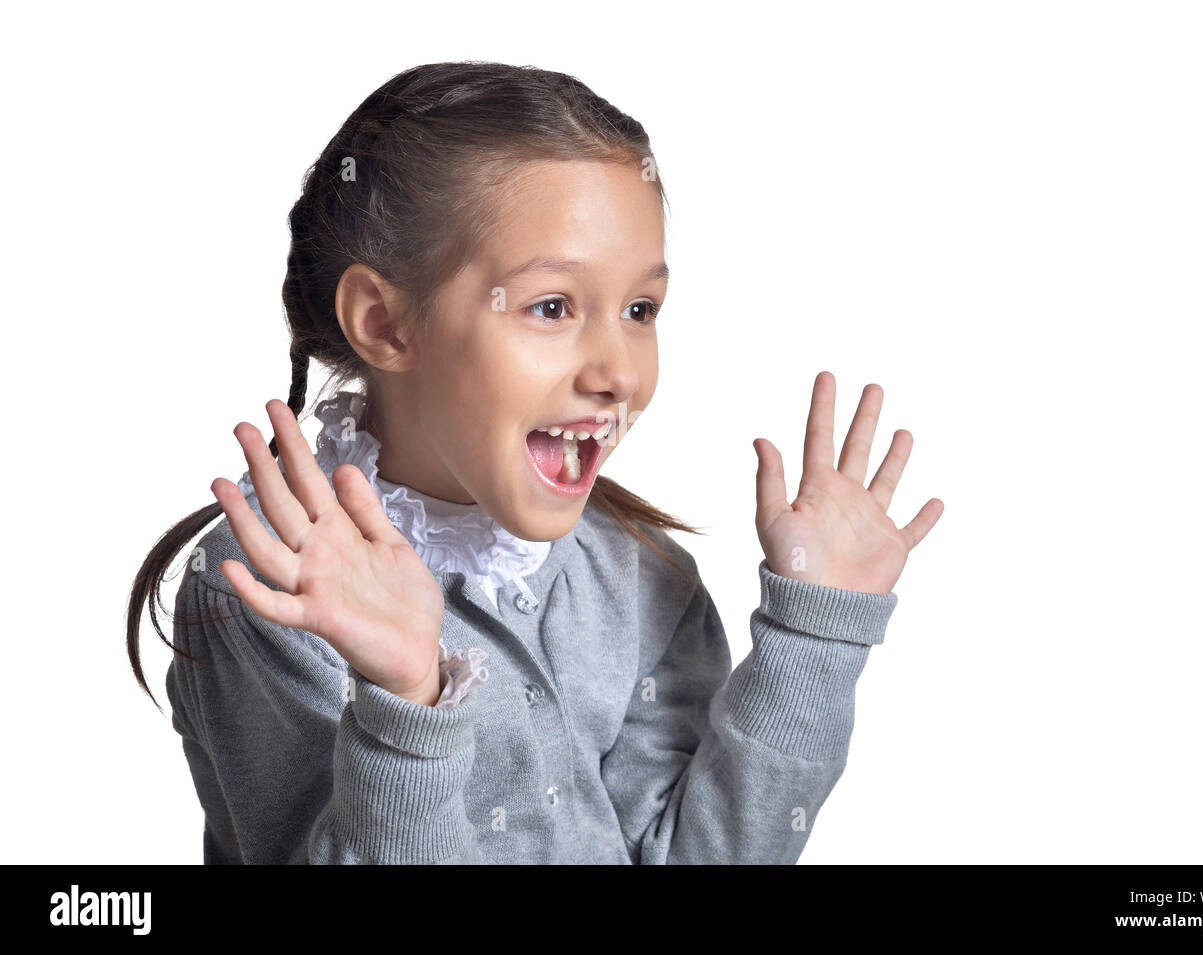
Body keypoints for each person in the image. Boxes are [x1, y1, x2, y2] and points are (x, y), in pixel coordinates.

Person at [126, 61, 943, 864]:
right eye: (551, 307)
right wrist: (409, 701)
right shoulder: (271, 583)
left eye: (639, 309)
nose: (619, 372)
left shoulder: (642, 577)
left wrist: (811, 639)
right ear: (385, 322)